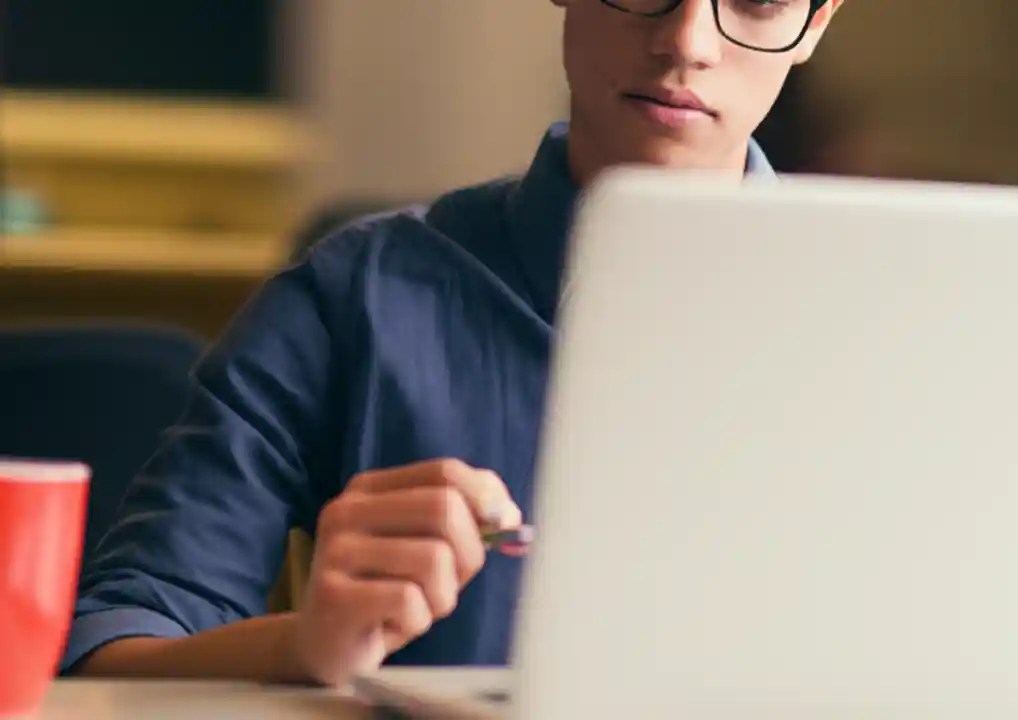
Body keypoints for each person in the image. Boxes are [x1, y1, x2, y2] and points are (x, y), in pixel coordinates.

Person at [65, 0, 843, 687]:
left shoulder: (888, 325)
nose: (687, 42)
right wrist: (304, 647)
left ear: (816, 20)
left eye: (759, 0)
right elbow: (110, 648)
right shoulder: (351, 297)